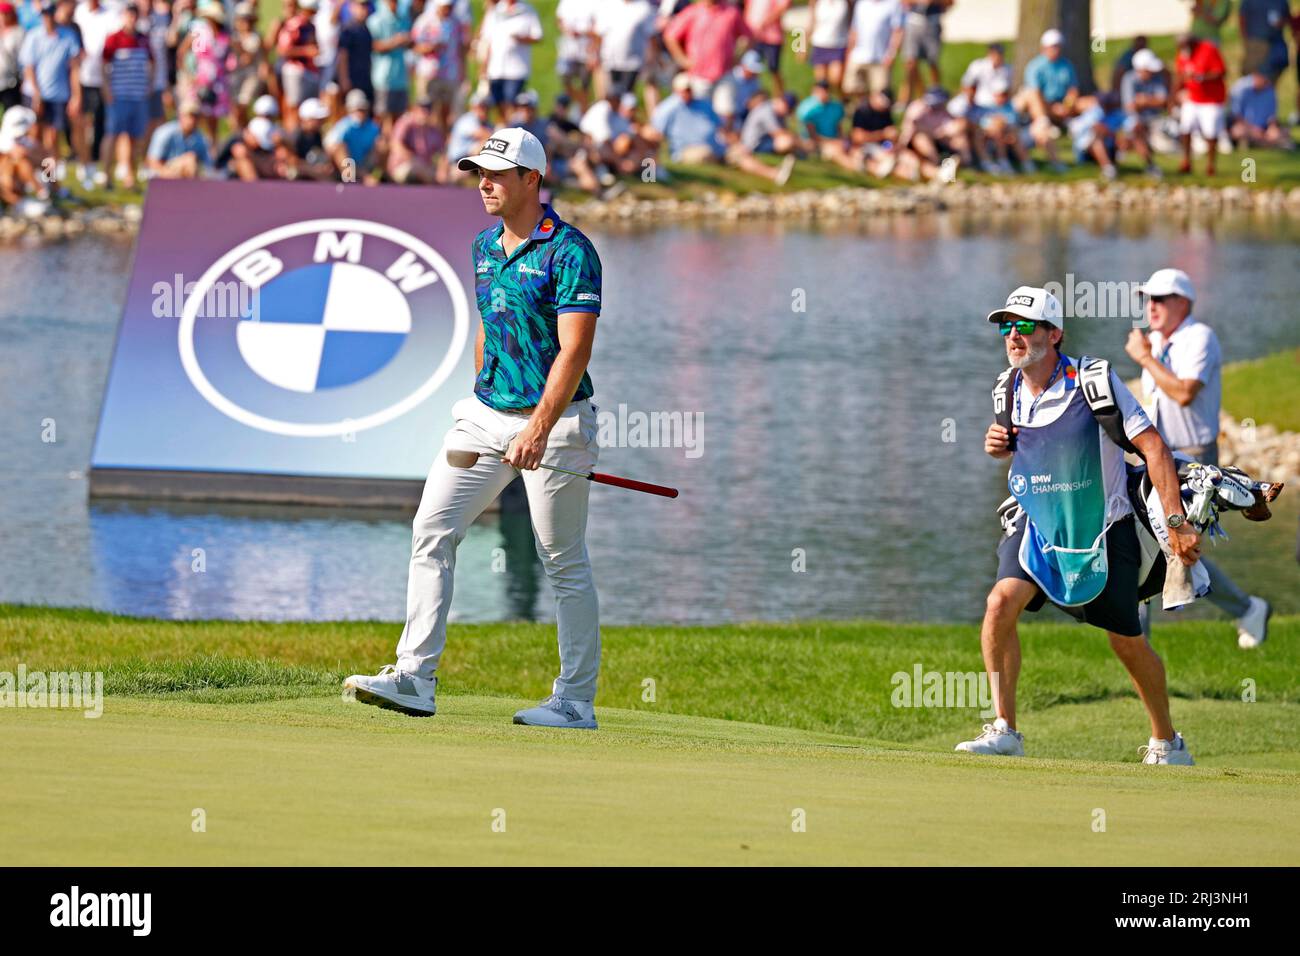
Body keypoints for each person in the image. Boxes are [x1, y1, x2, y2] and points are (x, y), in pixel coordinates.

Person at [345, 126, 608, 730]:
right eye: (478, 173)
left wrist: (539, 428)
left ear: (532, 181)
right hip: (485, 418)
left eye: (495, 174)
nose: (483, 183)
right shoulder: (484, 246)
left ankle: (574, 701)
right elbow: (490, 329)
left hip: (559, 422)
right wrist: (483, 406)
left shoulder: (571, 252)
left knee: (561, 559)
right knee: (431, 529)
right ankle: (415, 676)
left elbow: (574, 352)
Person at [962, 286, 1201, 764]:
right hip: (1037, 529)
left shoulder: (1095, 380)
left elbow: (1153, 448)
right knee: (999, 604)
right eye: (1006, 326)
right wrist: (998, 445)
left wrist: (1175, 521)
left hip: (1102, 532)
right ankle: (1005, 728)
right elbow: (1028, 450)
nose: (1013, 335)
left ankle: (1167, 741)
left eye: (1024, 326)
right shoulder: (1005, 388)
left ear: (1054, 334)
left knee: (1127, 643)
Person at [1125, 268, 1274, 649]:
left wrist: (1144, 358)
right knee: (1151, 545)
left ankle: (1245, 609)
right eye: (1148, 299)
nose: (1151, 306)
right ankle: (1138, 640)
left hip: (1194, 461)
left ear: (1183, 303)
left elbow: (1184, 392)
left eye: (1160, 299)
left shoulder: (1198, 338)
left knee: (1175, 547)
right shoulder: (1156, 341)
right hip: (1158, 461)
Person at [647, 69, 793, 183]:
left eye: (689, 89)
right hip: (686, 151)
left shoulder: (704, 104)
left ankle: (774, 174)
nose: (688, 93)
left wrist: (736, 144)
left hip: (716, 148)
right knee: (705, 153)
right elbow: (655, 133)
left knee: (740, 154)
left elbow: (721, 128)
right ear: (676, 90)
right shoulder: (667, 108)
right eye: (684, 90)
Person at [20, 1, 82, 157]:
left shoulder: (68, 36)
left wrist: (76, 95)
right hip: (34, 94)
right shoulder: (34, 36)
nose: (47, 19)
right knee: (33, 136)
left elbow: (74, 69)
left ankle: (49, 177)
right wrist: (36, 93)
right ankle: (32, 177)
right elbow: (29, 68)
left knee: (52, 138)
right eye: (44, 15)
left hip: (57, 94)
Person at [101, 1, 152, 189]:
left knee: (135, 138)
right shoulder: (114, 39)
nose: (132, 19)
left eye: (135, 16)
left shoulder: (143, 39)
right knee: (112, 135)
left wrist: (149, 85)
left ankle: (130, 178)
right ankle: (106, 176)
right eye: (129, 15)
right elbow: (103, 66)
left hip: (138, 96)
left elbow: (151, 63)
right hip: (119, 95)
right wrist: (106, 89)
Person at [72, 0, 119, 190]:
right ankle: (83, 162)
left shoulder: (110, 13)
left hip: (103, 79)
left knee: (102, 124)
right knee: (79, 122)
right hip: (81, 77)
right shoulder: (79, 11)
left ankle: (97, 164)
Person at [662, 0, 751, 99]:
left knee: (726, 111)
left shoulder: (731, 12)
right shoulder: (693, 12)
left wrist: (738, 57)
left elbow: (748, 36)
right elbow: (670, 36)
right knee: (701, 110)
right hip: (699, 75)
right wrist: (682, 59)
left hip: (725, 74)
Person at [1016, 28, 1077, 172]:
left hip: (1059, 106)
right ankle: (1044, 122)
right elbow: (1035, 92)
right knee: (1030, 95)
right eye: (1052, 46)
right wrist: (1048, 110)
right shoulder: (1035, 66)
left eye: (1057, 46)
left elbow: (1072, 90)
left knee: (1089, 102)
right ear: (1044, 47)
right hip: (1039, 107)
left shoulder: (1066, 65)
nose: (1055, 49)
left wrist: (1067, 106)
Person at [1173, 32, 1227, 176]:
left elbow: (1221, 72)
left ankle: (1210, 165)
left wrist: (1202, 77)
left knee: (1210, 133)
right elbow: (1180, 75)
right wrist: (1175, 95)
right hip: (1192, 98)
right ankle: (1186, 161)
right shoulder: (1183, 54)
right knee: (1185, 128)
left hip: (1211, 100)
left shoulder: (1208, 49)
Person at [482, 0, 543, 121]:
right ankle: (502, 127)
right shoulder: (495, 11)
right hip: (496, 68)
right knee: (497, 102)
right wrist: (484, 65)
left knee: (512, 102)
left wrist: (521, 39)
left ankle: (511, 127)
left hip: (517, 69)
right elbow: (487, 39)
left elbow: (538, 36)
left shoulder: (528, 10)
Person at [411, 0, 464, 129]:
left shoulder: (455, 22)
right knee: (427, 109)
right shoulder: (424, 21)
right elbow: (414, 46)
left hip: (449, 73)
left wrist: (462, 71)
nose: (448, 10)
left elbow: (460, 48)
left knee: (445, 109)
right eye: (445, 7)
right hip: (429, 73)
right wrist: (431, 48)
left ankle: (441, 140)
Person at [592, 0, 656, 101]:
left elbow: (651, 36)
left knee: (627, 98)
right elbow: (599, 33)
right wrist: (595, 54)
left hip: (632, 63)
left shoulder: (644, 8)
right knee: (609, 97)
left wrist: (651, 58)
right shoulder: (608, 6)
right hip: (610, 61)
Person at [1119, 48, 1168, 172]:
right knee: (1136, 127)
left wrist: (1145, 100)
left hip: (1155, 119)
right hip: (1135, 119)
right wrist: (1152, 101)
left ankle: (1125, 150)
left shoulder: (1157, 77)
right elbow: (1130, 106)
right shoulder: (1129, 78)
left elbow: (1163, 101)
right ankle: (1150, 165)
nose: (1151, 71)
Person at [898, 0, 949, 109]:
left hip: (932, 21)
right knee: (910, 62)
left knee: (932, 62)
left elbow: (950, 3)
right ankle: (914, 97)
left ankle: (936, 96)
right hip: (914, 21)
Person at [324, 85, 382, 181]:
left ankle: (378, 176)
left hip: (364, 164)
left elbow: (379, 148)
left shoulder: (372, 127)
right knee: (338, 147)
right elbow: (331, 148)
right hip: (345, 169)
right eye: (357, 109)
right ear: (349, 109)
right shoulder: (343, 126)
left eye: (362, 109)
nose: (360, 113)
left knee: (382, 145)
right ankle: (351, 178)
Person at [145, 98, 210, 176]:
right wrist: (168, 174)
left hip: (183, 176)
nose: (192, 120)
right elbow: (152, 161)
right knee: (190, 160)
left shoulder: (200, 137)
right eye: (189, 116)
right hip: (161, 175)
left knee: (191, 161)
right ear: (180, 116)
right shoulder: (165, 132)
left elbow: (208, 164)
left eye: (196, 117)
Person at [1229, 69, 1291, 147]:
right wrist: (1254, 130)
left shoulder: (1269, 91)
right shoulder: (1241, 89)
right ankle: (1264, 143)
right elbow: (1236, 116)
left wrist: (1272, 127)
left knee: (1279, 133)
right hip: (1246, 127)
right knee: (1238, 132)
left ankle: (1258, 143)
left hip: (1264, 129)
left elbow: (1272, 116)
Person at [711, 47, 764, 132]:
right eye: (752, 69)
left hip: (742, 115)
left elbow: (756, 98)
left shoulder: (755, 81)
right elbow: (724, 106)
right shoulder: (730, 77)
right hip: (724, 116)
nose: (754, 73)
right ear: (744, 66)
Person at [555, 0, 595, 109]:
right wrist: (566, 30)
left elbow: (598, 27)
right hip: (567, 51)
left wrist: (582, 32)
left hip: (586, 52)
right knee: (565, 79)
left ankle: (583, 108)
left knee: (584, 85)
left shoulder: (595, 3)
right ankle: (576, 105)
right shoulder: (566, 2)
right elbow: (559, 20)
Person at [743, 0, 789, 96]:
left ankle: (779, 96)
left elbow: (782, 7)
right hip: (753, 36)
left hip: (772, 37)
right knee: (750, 66)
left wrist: (765, 23)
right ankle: (751, 95)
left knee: (774, 69)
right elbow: (747, 8)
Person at [1238, 0, 1291, 78]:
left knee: (1273, 74)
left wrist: (1281, 22)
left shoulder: (1281, 2)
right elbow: (1242, 17)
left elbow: (1287, 17)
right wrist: (1246, 39)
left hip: (1276, 44)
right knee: (1252, 76)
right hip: (1255, 43)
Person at [334, 0, 372, 107]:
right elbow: (342, 55)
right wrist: (344, 79)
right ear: (352, 7)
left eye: (365, 6)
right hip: (352, 78)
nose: (363, 10)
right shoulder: (348, 29)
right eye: (360, 6)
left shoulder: (365, 29)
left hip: (364, 78)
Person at [1, 2, 24, 112]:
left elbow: (23, 59)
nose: (3, 17)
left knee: (11, 115)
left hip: (11, 82)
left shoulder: (19, 32)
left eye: (6, 14)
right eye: (1, 14)